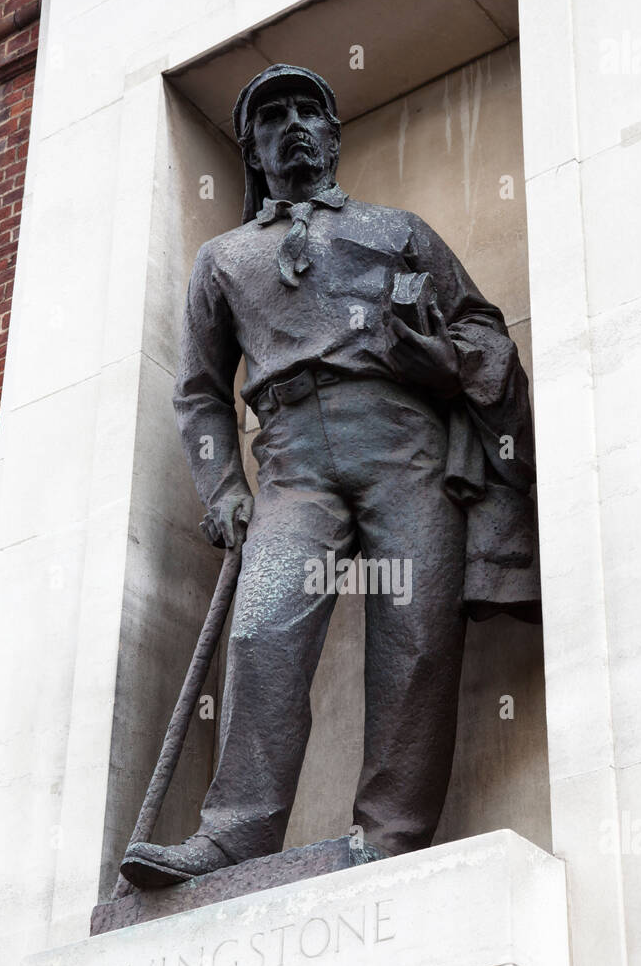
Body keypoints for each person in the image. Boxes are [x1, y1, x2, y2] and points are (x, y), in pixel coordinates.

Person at [121, 64, 537, 889]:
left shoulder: (400, 230)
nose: (294, 125)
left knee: (416, 636)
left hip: (402, 443)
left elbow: (484, 331)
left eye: (309, 110)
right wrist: (223, 490)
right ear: (253, 148)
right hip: (290, 458)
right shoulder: (222, 259)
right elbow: (200, 393)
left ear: (334, 133)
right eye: (272, 117)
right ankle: (235, 833)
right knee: (262, 631)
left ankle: (389, 832)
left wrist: (443, 357)